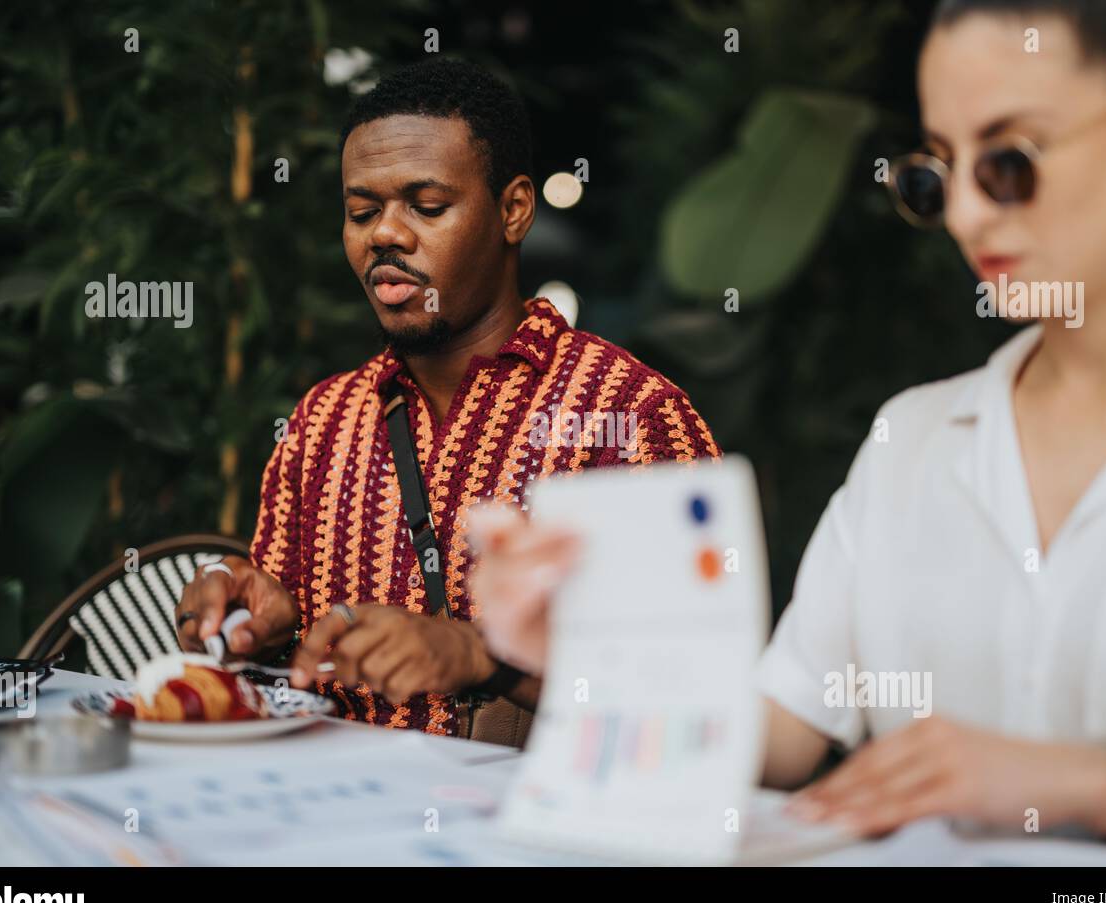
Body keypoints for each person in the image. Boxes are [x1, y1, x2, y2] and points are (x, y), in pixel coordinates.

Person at [469, 0, 1106, 852]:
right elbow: (782, 735)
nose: (968, 217)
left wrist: (1095, 785)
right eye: (936, 175)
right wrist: (592, 648)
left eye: (1010, 160)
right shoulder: (913, 440)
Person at [173, 58, 718, 738]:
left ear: (514, 210)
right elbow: (278, 690)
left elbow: (692, 695)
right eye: (360, 212)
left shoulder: (628, 415)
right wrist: (259, 630)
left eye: (427, 207)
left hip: (531, 837)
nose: (385, 235)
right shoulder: (320, 423)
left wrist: (481, 657)